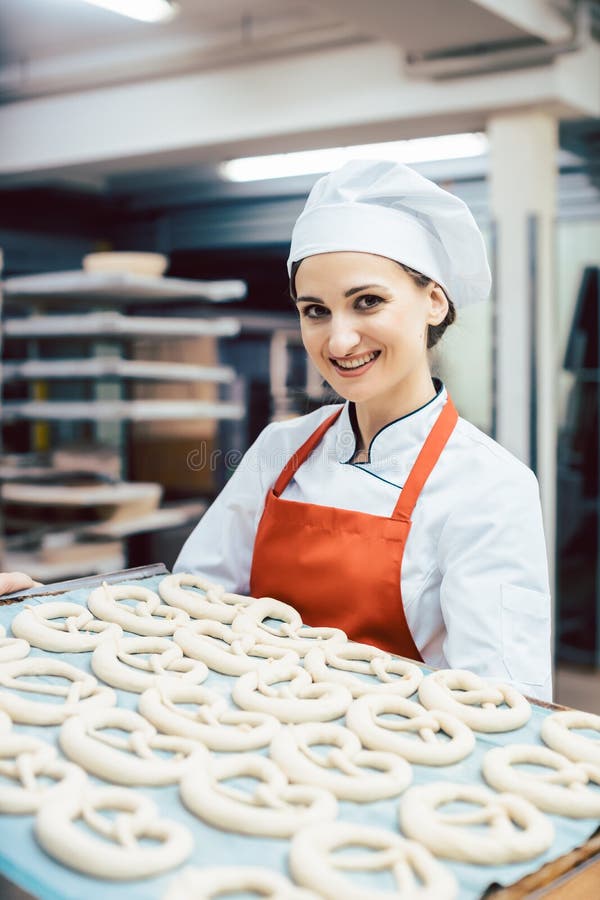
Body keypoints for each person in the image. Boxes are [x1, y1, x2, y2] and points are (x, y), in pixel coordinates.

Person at [0, 160, 552, 701]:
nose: (339, 342)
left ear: (434, 301)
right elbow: (191, 605)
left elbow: (502, 703)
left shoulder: (491, 486)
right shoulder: (282, 448)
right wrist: (49, 608)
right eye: (316, 311)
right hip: (254, 723)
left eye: (368, 302)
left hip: (395, 758)